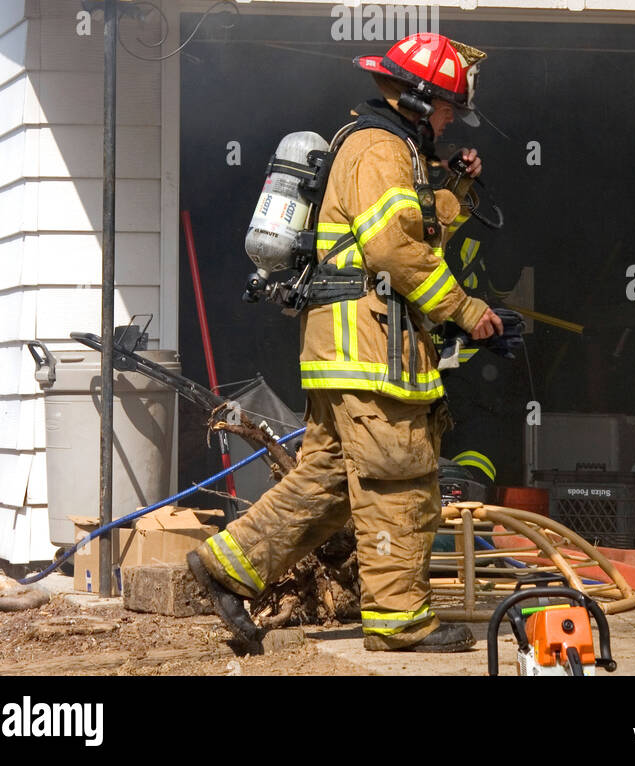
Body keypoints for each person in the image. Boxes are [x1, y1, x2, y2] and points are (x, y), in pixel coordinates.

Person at [188, 32, 503, 653]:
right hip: (369, 353)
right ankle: (400, 623)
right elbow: (393, 249)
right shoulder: (381, 149)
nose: (449, 120)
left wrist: (458, 192)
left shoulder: (383, 149)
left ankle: (229, 567)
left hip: (344, 354)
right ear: (416, 98)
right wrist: (465, 310)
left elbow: (411, 227)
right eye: (445, 108)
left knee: (330, 482)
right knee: (399, 479)